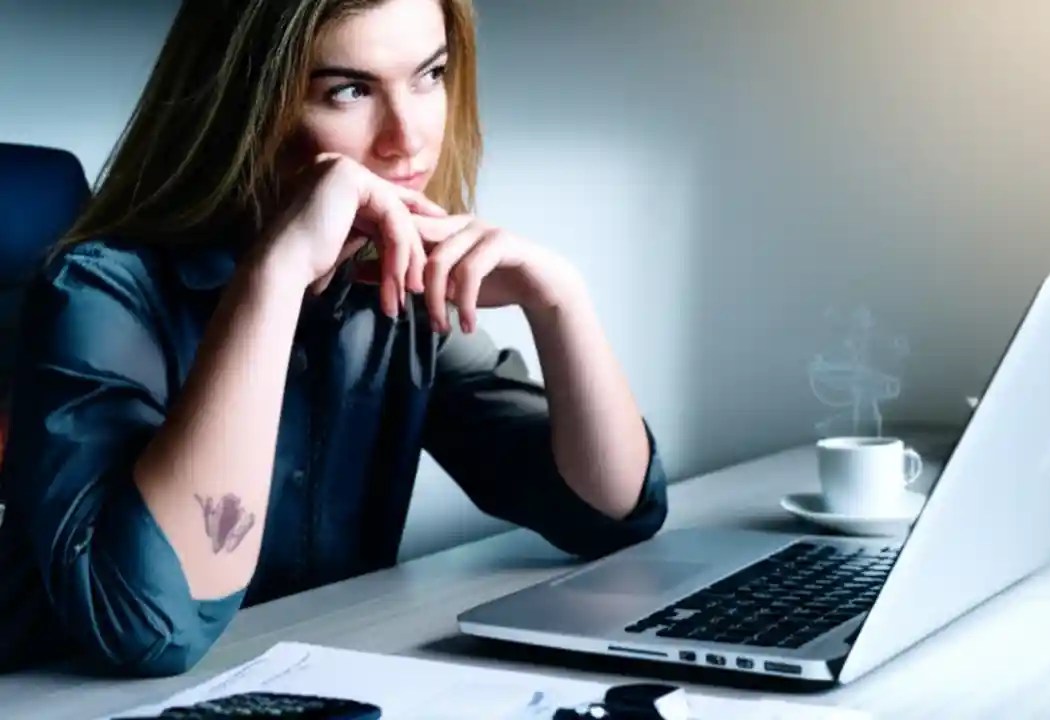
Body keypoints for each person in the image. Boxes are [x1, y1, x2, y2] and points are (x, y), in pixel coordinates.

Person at [0, 0, 668, 677]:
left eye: (429, 75)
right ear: (242, 108)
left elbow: (608, 512)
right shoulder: (97, 291)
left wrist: (557, 299)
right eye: (347, 90)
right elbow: (149, 625)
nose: (406, 138)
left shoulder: (387, 289)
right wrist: (277, 276)